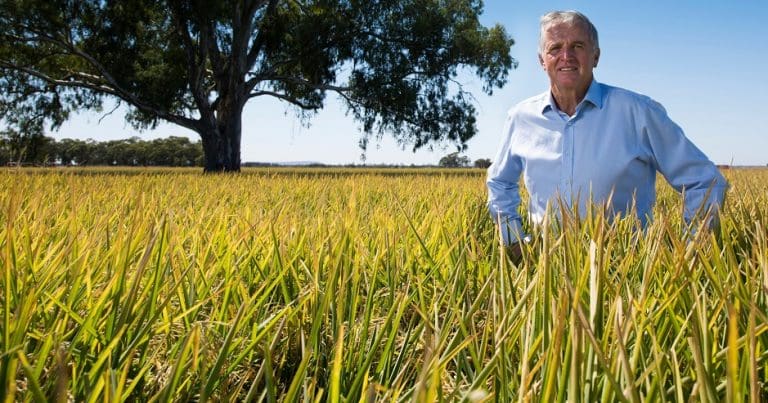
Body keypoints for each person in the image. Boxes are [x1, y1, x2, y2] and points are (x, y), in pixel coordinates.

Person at [486, 10, 727, 255]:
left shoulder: (638, 112)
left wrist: (692, 250)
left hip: (628, 274)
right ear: (542, 60)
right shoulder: (520, 118)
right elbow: (499, 182)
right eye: (555, 48)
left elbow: (705, 181)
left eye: (577, 46)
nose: (566, 56)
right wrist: (512, 238)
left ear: (596, 56)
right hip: (547, 271)